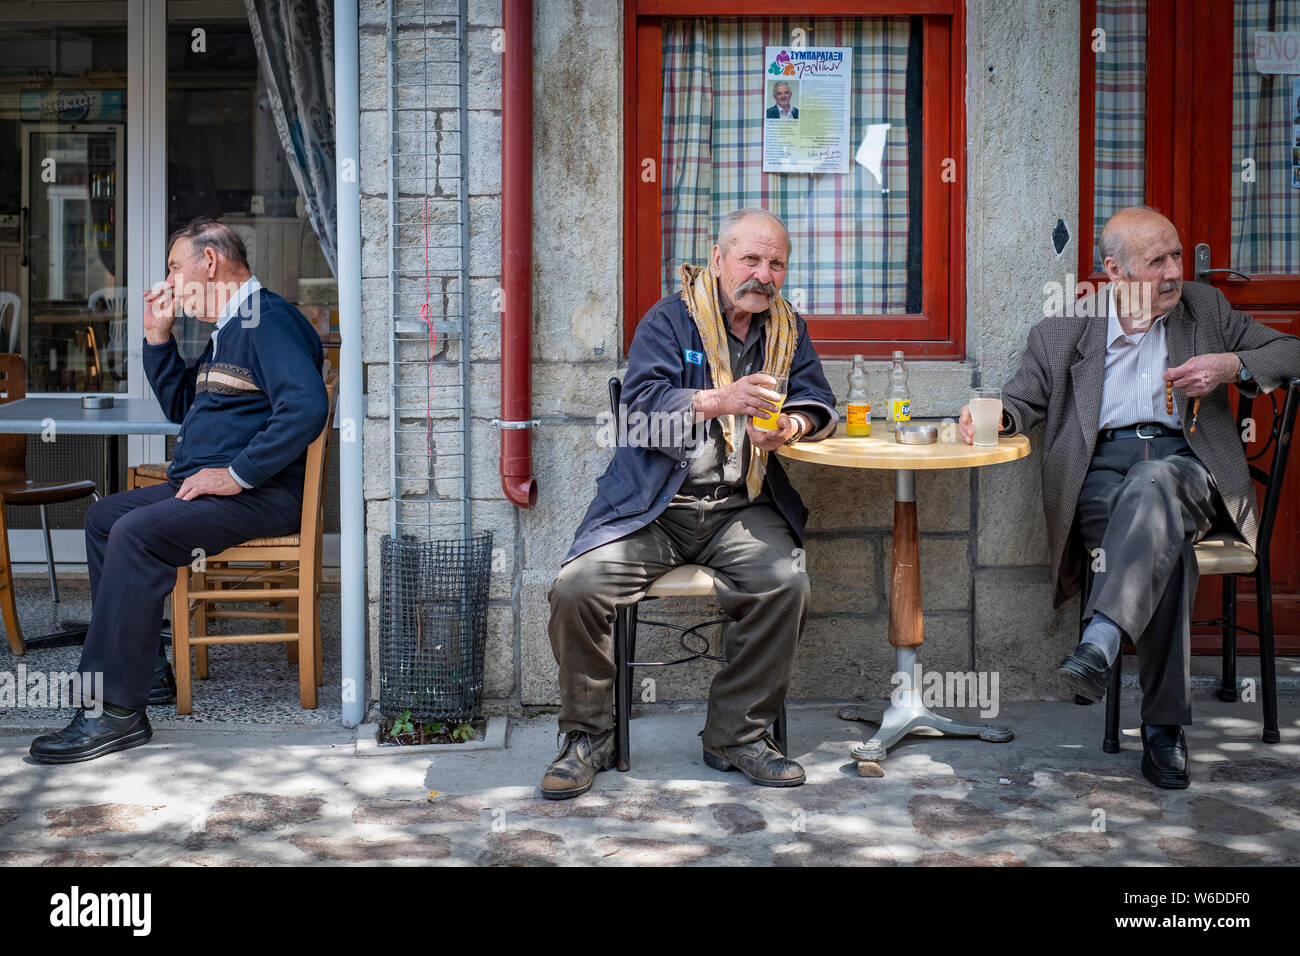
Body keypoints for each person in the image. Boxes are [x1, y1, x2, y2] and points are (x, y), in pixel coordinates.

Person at [958, 206, 1300, 789]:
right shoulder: (1062, 335)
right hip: (1100, 474)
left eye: (1176, 254)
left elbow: (1292, 352)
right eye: (1156, 261)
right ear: (1113, 272)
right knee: (1164, 550)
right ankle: (1164, 729)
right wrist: (987, 414)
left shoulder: (1207, 312)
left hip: (1189, 468)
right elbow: (1020, 402)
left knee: (1155, 487)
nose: (1174, 272)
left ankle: (1100, 640)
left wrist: (1231, 365)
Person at [542, 208, 836, 799]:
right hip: (655, 508)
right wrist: (718, 399)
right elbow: (639, 411)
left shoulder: (788, 329)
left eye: (776, 263)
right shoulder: (670, 320)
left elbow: (817, 399)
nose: (763, 274)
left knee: (786, 582)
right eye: (751, 259)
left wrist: (794, 427)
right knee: (577, 589)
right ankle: (588, 737)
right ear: (719, 259)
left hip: (739, 508)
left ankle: (737, 735)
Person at [29, 218, 328, 763]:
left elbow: (307, 407)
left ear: (208, 263)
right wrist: (156, 337)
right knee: (103, 520)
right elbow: (187, 413)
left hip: (258, 495)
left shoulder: (269, 321)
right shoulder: (230, 329)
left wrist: (236, 474)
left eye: (174, 265)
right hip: (207, 488)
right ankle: (146, 673)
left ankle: (114, 711)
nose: (168, 278)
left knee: (137, 534)